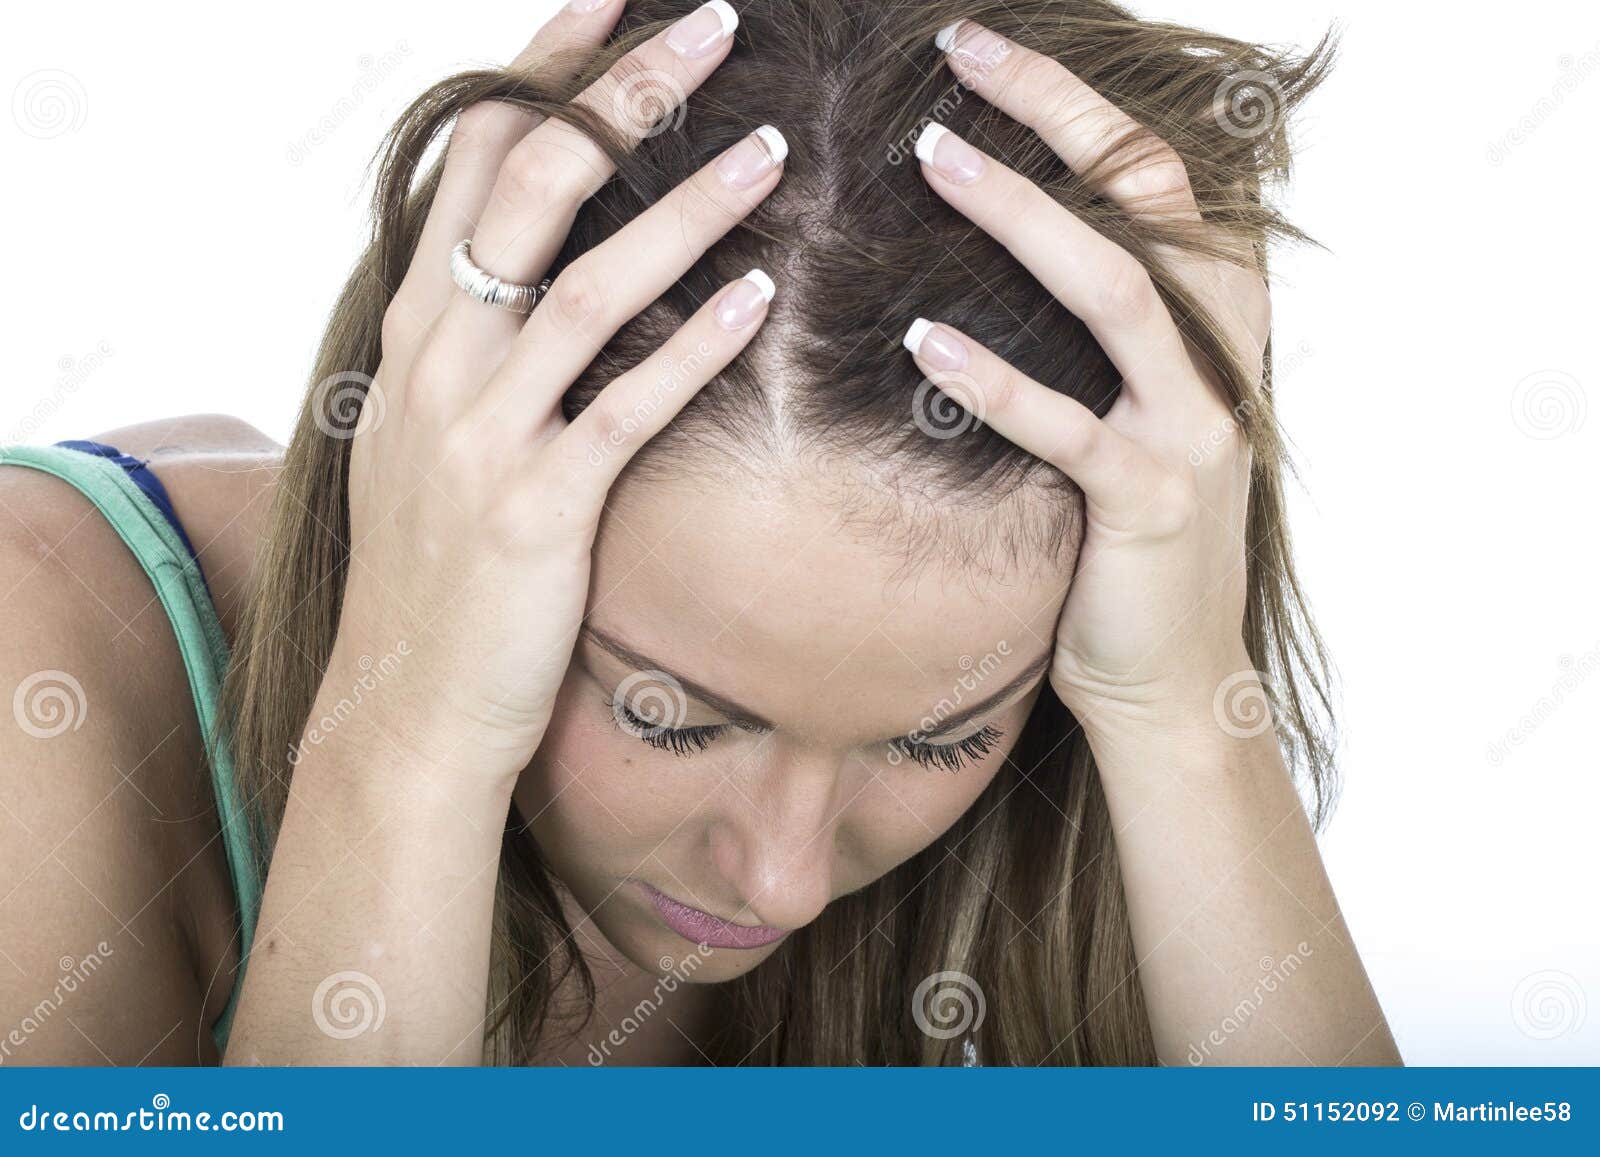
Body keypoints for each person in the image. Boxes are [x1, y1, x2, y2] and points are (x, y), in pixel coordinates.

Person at [0, 0, 1399, 1066]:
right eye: (667, 715)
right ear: (445, 483)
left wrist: (1179, 712)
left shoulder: (1087, 745)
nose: (781, 878)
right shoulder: (34, 659)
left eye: (941, 740)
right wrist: (408, 724)